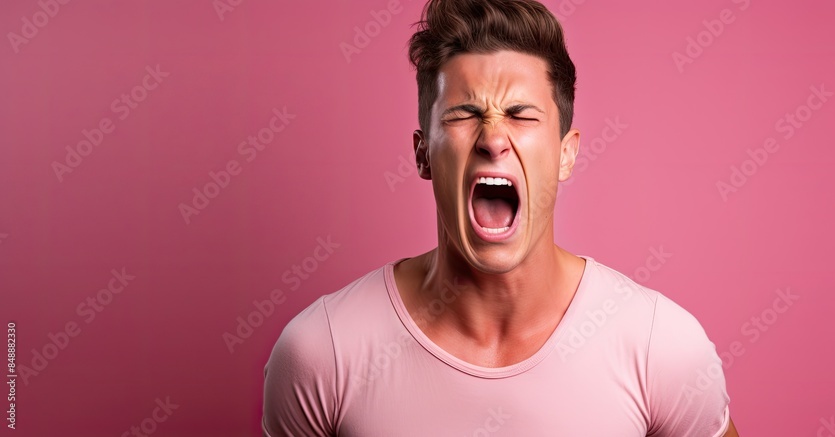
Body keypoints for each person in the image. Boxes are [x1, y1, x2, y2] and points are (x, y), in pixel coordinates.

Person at [262, 0, 738, 435]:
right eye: (464, 114)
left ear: (565, 155)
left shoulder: (661, 348)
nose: (493, 138)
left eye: (521, 115)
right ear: (423, 154)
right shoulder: (322, 351)